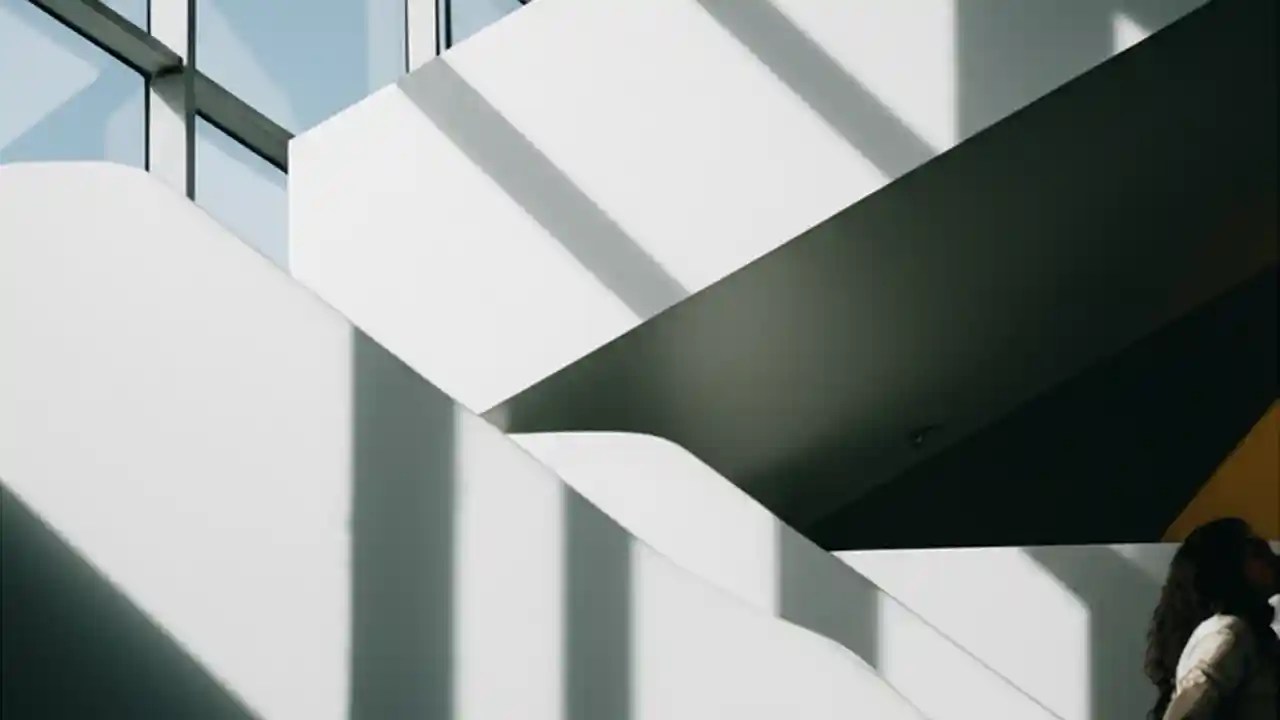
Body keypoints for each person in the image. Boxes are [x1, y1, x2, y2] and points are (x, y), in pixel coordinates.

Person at [1145, 517, 1279, 719]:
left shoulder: (1249, 636)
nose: (1274, 559)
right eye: (1258, 553)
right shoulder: (1229, 633)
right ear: (1228, 569)